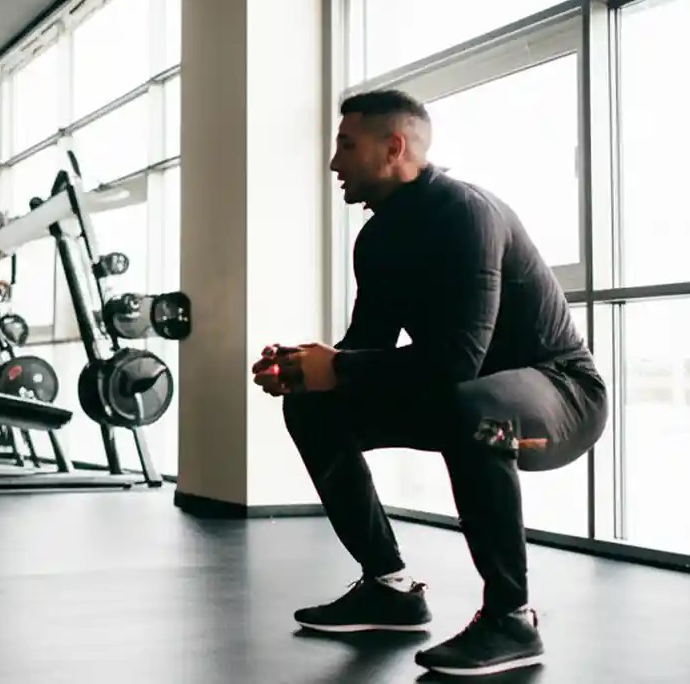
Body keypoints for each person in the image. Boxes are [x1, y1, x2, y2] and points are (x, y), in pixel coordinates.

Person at [252, 90, 607, 677]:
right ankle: (390, 588)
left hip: (561, 398)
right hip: (466, 398)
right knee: (315, 410)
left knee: (474, 408)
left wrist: (335, 367)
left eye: (347, 145)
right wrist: (305, 371)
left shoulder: (467, 213)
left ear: (394, 148)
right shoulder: (378, 239)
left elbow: (456, 362)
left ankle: (511, 618)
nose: (334, 163)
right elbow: (369, 348)